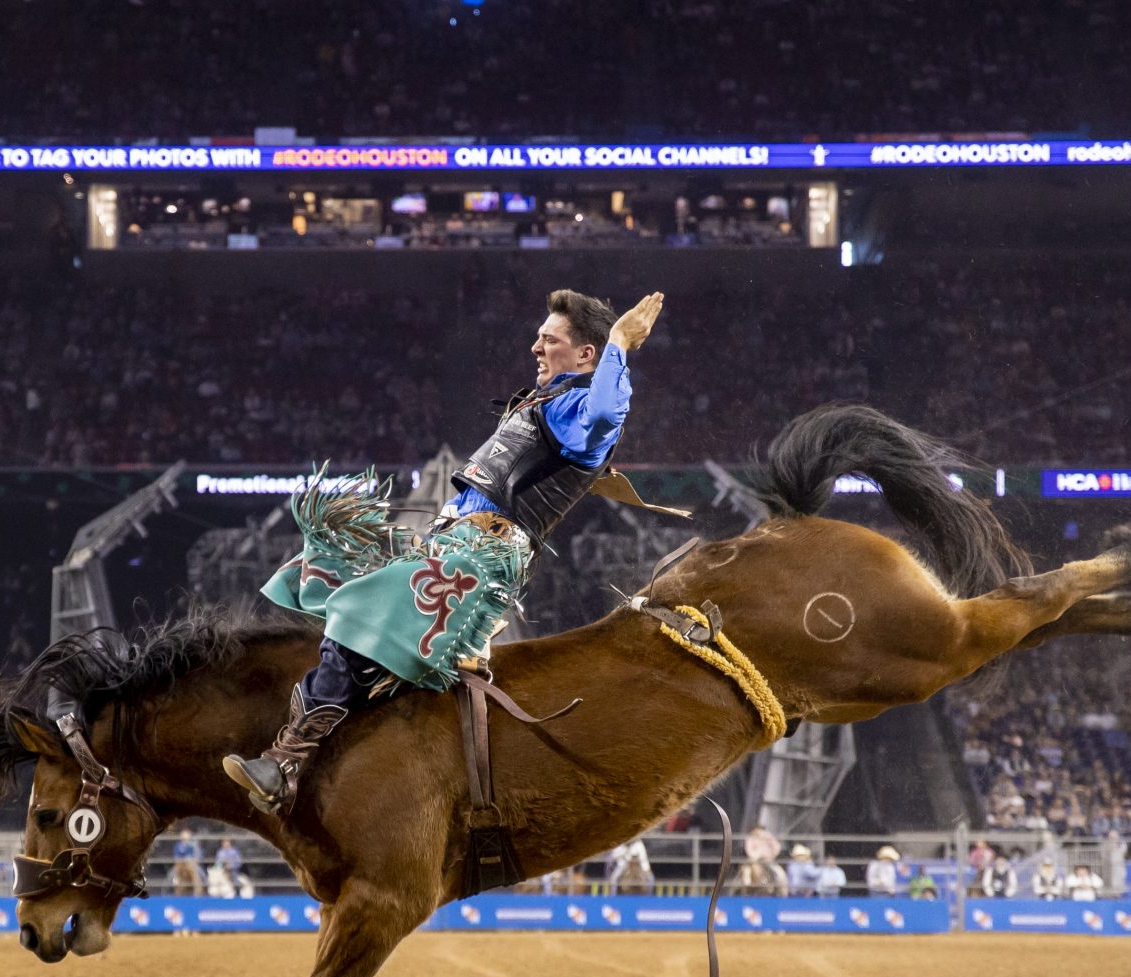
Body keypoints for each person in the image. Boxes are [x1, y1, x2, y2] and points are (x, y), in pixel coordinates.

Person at [223, 289, 670, 814]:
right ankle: (305, 750)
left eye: (549, 340)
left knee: (356, 606)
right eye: (539, 337)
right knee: (325, 562)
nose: (535, 347)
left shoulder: (580, 408)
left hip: (481, 556)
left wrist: (619, 341)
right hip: (451, 542)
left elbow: (607, 411)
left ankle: (287, 759)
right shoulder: (543, 402)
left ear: (586, 355)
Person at [742, 823, 785, 893]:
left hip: (766, 858)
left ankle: (776, 880)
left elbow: (777, 847)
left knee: (776, 871)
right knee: (746, 868)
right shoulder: (751, 837)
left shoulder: (768, 836)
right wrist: (754, 855)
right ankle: (746, 882)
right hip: (754, 858)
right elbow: (748, 849)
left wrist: (772, 855)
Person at [170, 826, 203, 896]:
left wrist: (191, 861)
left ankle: (198, 893)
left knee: (198, 874)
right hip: (180, 865)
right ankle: (176, 892)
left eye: (186, 834)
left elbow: (197, 857)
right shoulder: (177, 845)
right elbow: (176, 857)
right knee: (174, 875)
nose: (185, 836)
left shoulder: (193, 845)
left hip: (192, 865)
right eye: (183, 834)